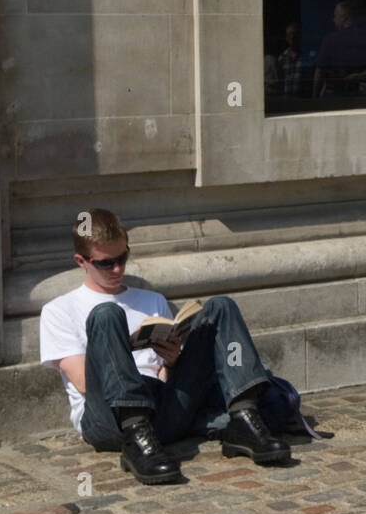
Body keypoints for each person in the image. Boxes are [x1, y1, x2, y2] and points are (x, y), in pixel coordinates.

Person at [39, 208, 289, 485]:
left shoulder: (152, 299)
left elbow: (167, 378)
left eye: (122, 258)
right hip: (107, 418)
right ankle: (136, 438)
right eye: (106, 263)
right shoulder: (58, 310)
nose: (118, 269)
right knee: (106, 314)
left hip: (162, 409)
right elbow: (84, 384)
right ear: (81, 261)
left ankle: (244, 416)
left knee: (221, 307)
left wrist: (172, 362)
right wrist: (122, 349)